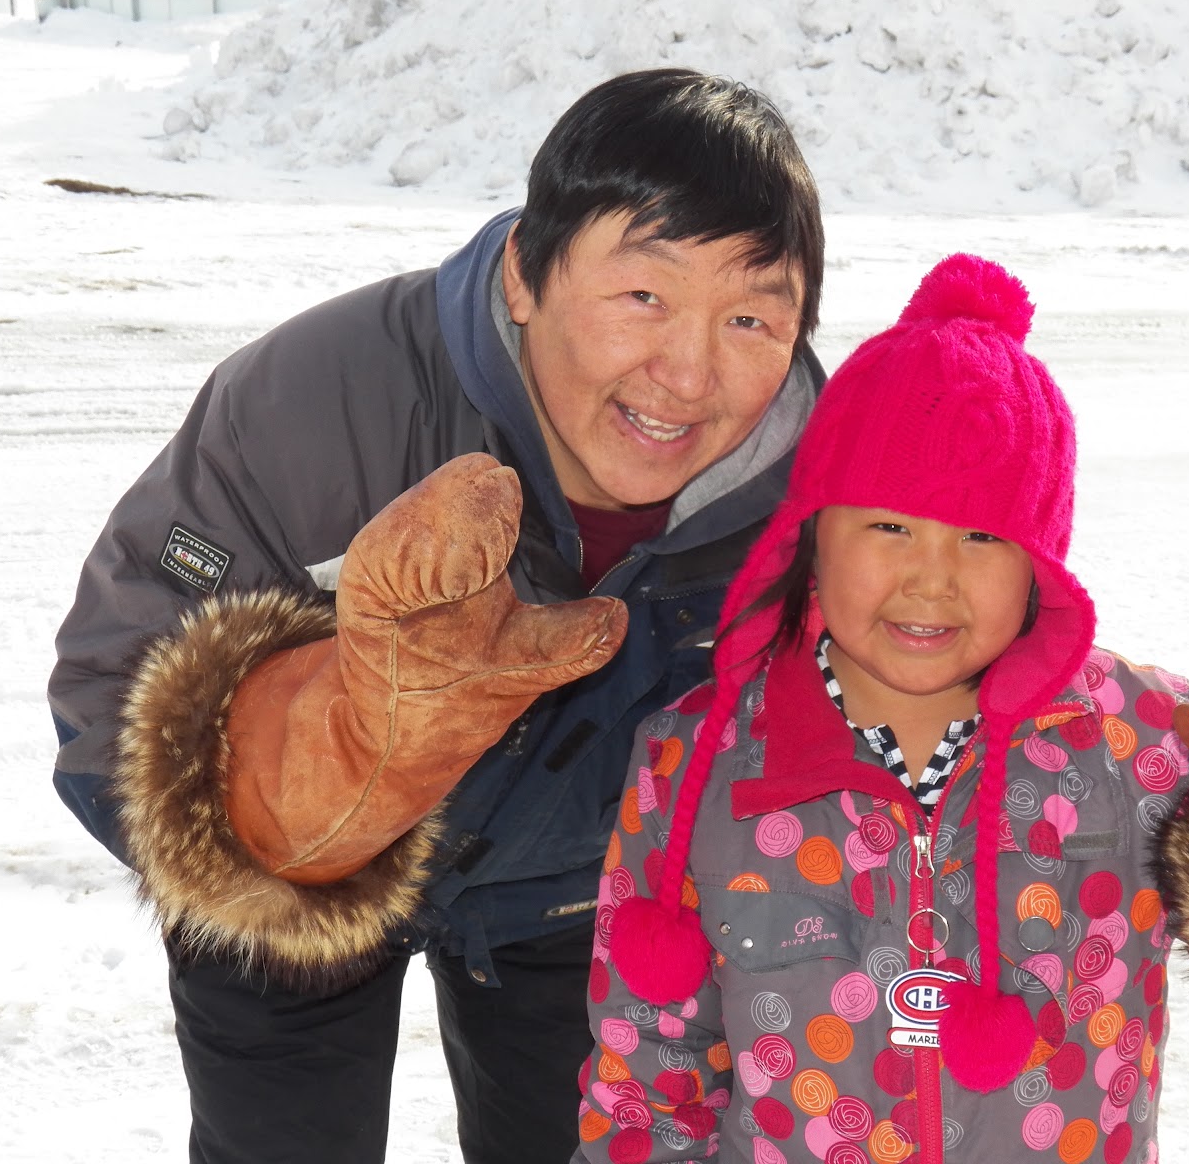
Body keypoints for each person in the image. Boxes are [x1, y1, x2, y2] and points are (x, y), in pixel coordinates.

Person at [47, 68, 825, 1164]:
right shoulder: (322, 399)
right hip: (290, 903)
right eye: (642, 296)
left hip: (574, 897)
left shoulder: (813, 498)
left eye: (750, 314)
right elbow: (117, 673)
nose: (687, 374)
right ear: (524, 277)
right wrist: (292, 799)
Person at [579, 254, 1189, 1163]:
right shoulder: (700, 759)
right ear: (812, 532)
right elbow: (644, 1082)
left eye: (983, 536)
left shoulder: (1144, 745)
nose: (930, 578)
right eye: (889, 524)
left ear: (1040, 564)